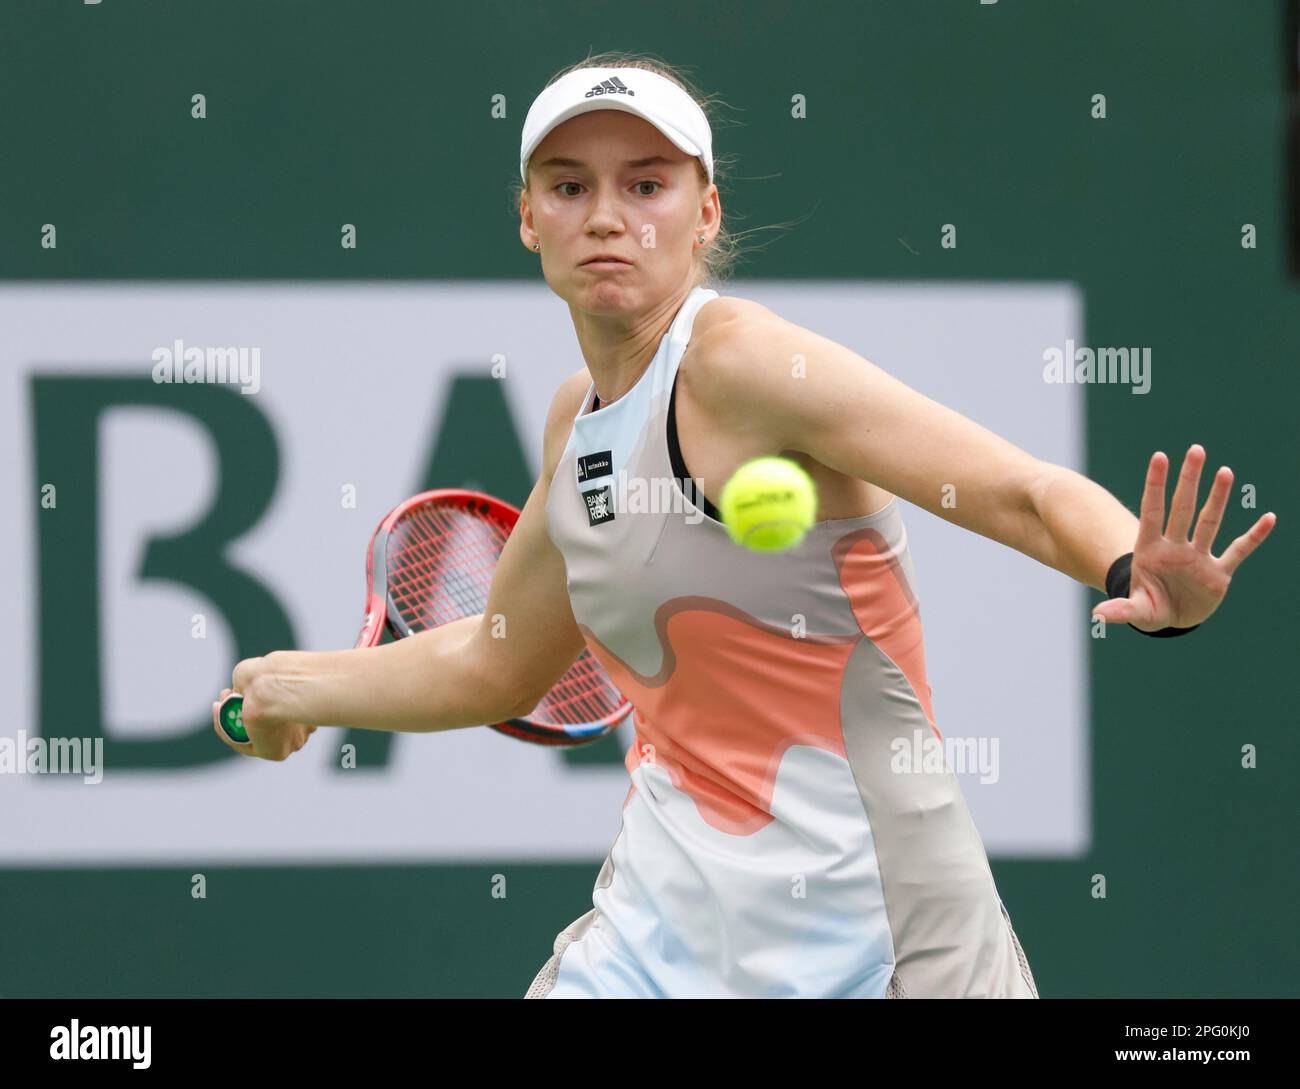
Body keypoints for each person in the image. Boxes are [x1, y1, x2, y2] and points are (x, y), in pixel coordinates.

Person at [213, 55, 1276, 998]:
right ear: (528, 217)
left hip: (890, 950)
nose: (607, 215)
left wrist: (1128, 561)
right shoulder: (573, 426)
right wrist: (296, 686)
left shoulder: (745, 365)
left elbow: (1012, 487)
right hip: (656, 944)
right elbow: (498, 663)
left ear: (706, 212)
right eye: (569, 187)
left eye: (647, 185)